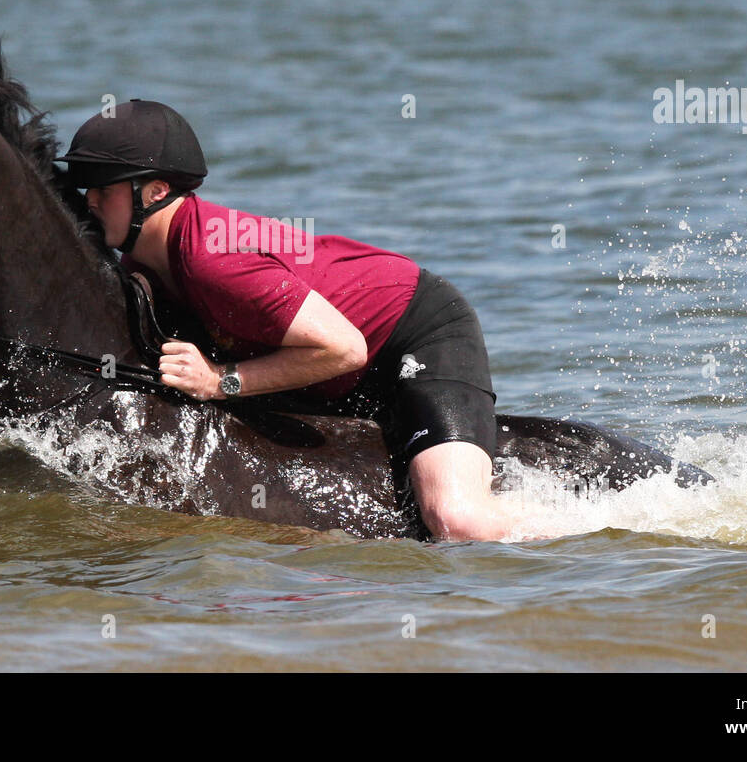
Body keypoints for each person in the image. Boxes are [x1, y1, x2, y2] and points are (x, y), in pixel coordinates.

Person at [57, 99, 515, 541]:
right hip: (334, 370)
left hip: (415, 333)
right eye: (87, 191)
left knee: (456, 521)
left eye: (104, 189)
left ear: (155, 192)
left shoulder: (212, 258)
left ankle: (574, 543)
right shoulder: (139, 265)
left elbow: (344, 348)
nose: (90, 203)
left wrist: (221, 382)